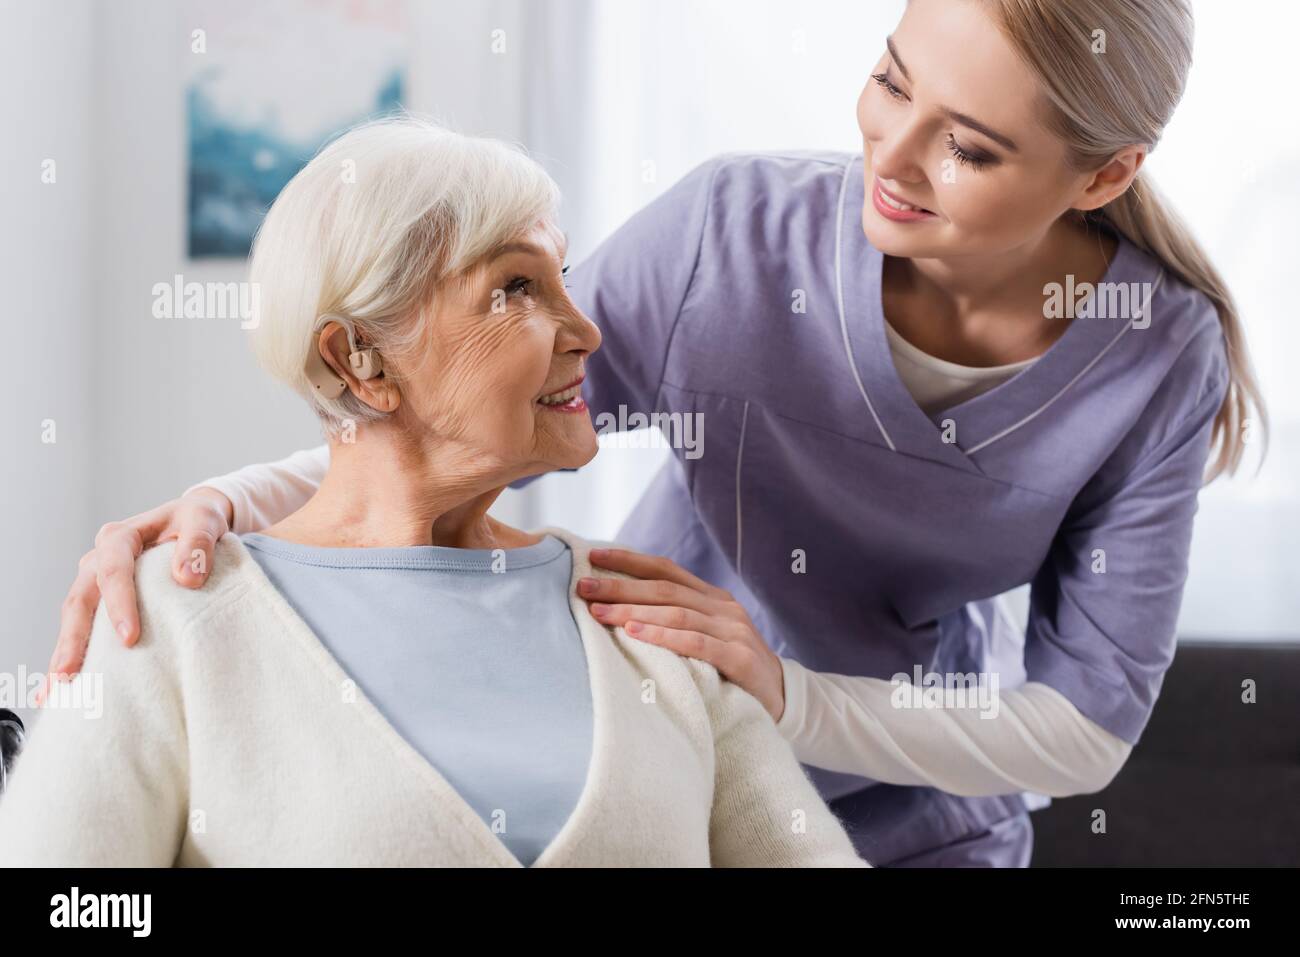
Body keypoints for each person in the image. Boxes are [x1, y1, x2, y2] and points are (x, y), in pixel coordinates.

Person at [44, 0, 1265, 866]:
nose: (884, 160)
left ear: (1101, 178)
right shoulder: (732, 238)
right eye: (892, 79)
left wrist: (783, 693)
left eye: (969, 146)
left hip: (918, 823)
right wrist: (224, 506)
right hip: (662, 764)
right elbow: (453, 420)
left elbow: (1083, 729)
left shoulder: (1154, 354)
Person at [0, 118, 867, 867]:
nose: (588, 329)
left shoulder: (647, 620)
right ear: (359, 360)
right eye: (518, 287)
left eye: (562, 279)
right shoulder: (175, 617)